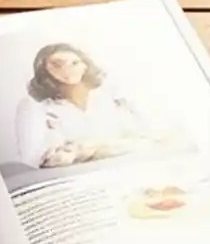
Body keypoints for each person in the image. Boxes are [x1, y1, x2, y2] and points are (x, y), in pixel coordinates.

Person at [13, 43, 160, 169]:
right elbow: (36, 160)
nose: (67, 70)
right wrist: (93, 151)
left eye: (74, 63)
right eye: (57, 65)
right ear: (44, 70)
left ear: (85, 65)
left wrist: (85, 150)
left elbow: (148, 137)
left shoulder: (111, 97)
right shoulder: (37, 109)